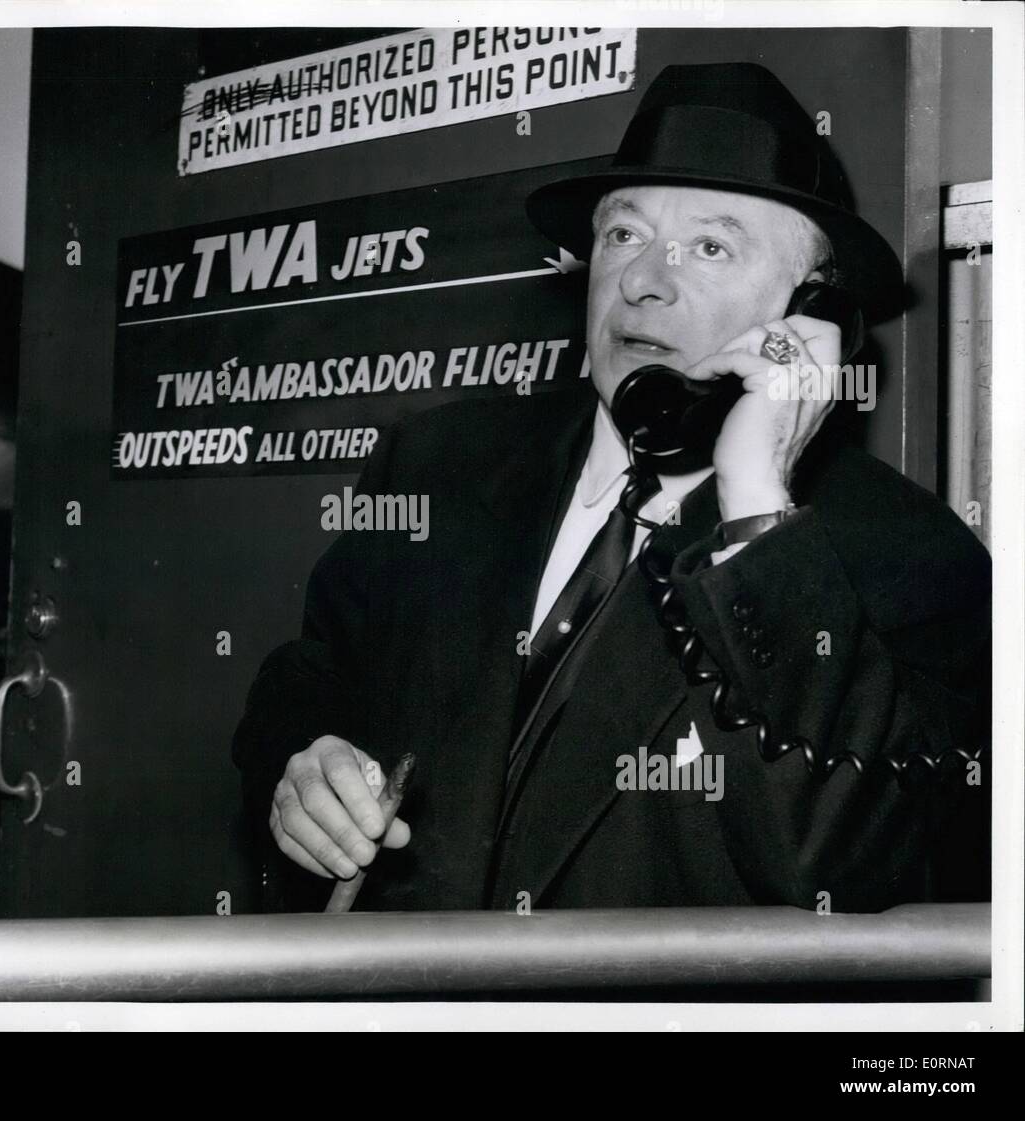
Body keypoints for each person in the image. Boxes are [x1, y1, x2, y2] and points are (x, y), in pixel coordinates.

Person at [232, 63, 991, 914]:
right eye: (625, 235)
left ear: (810, 313)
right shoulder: (438, 462)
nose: (642, 279)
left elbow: (842, 874)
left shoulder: (912, 556)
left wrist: (756, 508)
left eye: (711, 246)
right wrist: (301, 761)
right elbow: (310, 672)